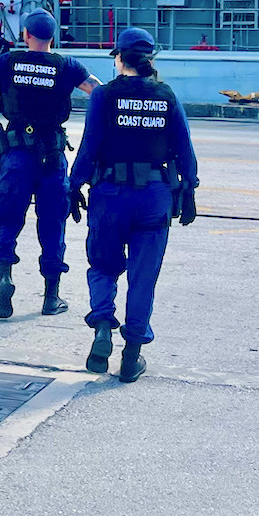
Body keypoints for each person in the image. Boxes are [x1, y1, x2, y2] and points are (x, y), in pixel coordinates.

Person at [68, 25, 199, 383]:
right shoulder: (166, 96)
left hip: (110, 195)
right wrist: (190, 188)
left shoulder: (104, 95)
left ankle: (102, 329)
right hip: (154, 197)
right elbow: (184, 146)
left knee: (103, 266)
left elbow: (89, 146)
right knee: (143, 278)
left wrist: (74, 185)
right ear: (150, 59)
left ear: (119, 58)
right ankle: (131, 356)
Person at [0, 8, 95, 320]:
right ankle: (51, 296)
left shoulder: (8, 62)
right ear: (53, 36)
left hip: (16, 156)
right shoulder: (67, 66)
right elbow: (98, 91)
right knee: (53, 223)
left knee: (6, 220)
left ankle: (5, 278)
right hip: (52, 156)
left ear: (26, 35)